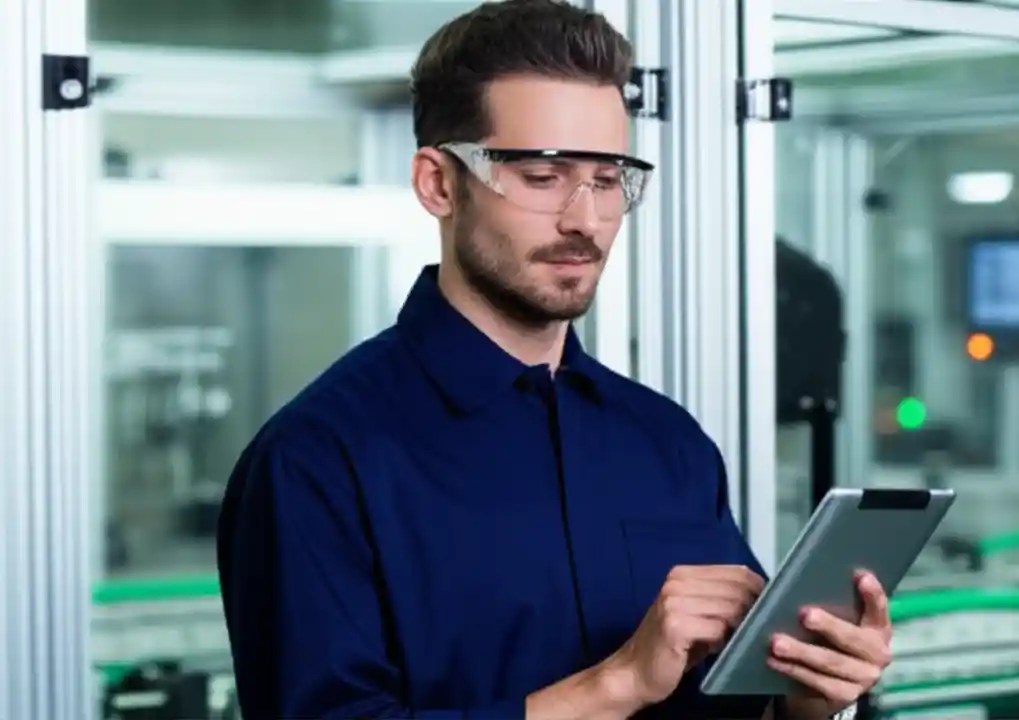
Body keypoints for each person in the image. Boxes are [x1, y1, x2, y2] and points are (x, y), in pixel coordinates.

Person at [216, 1, 892, 718]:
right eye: (543, 175)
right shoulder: (318, 460)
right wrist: (615, 685)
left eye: (607, 179)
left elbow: (734, 701)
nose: (587, 219)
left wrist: (809, 696)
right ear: (439, 183)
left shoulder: (667, 442)